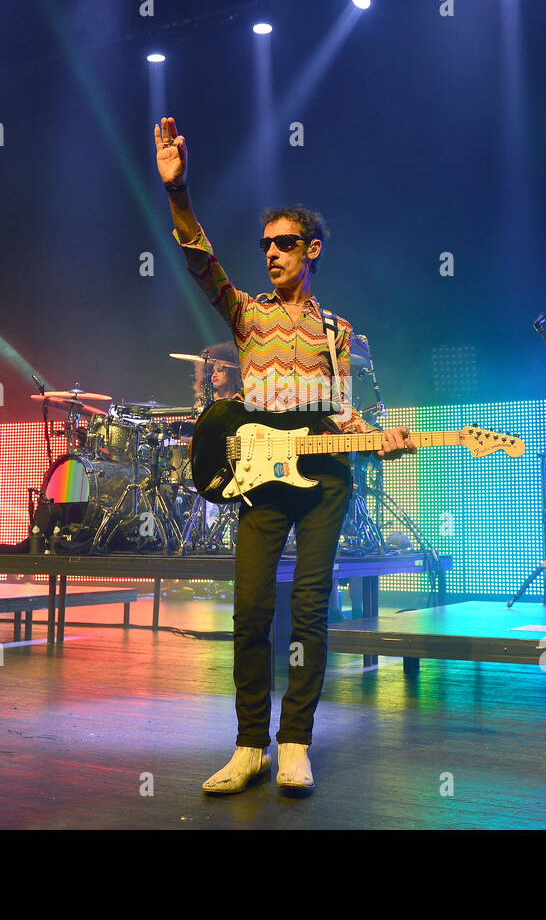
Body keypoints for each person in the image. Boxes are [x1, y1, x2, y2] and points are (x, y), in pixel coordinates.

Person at [155, 116, 415, 793]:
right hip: (262, 479)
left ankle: (295, 740)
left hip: (326, 477)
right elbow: (199, 261)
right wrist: (179, 193)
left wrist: (380, 440)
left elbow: (346, 411)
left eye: (285, 244)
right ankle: (250, 744)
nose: (270, 253)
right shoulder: (248, 313)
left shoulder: (338, 331)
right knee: (248, 612)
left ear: (313, 249)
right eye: (266, 244)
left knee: (308, 610)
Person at [191, 341, 242, 410]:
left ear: (232, 373)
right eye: (212, 372)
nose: (214, 375)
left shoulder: (241, 400)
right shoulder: (203, 403)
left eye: (220, 370)